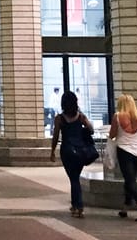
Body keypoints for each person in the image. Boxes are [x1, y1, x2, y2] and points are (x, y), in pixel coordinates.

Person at [49, 90, 95, 219]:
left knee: (74, 179)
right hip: (81, 151)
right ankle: (75, 205)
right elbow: (91, 129)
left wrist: (52, 151)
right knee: (75, 178)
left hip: (67, 151)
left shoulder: (59, 118)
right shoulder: (80, 116)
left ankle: (79, 206)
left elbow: (56, 136)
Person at [108, 94, 137, 221]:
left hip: (124, 150)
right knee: (129, 179)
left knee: (130, 180)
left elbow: (113, 134)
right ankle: (124, 208)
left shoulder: (117, 116)